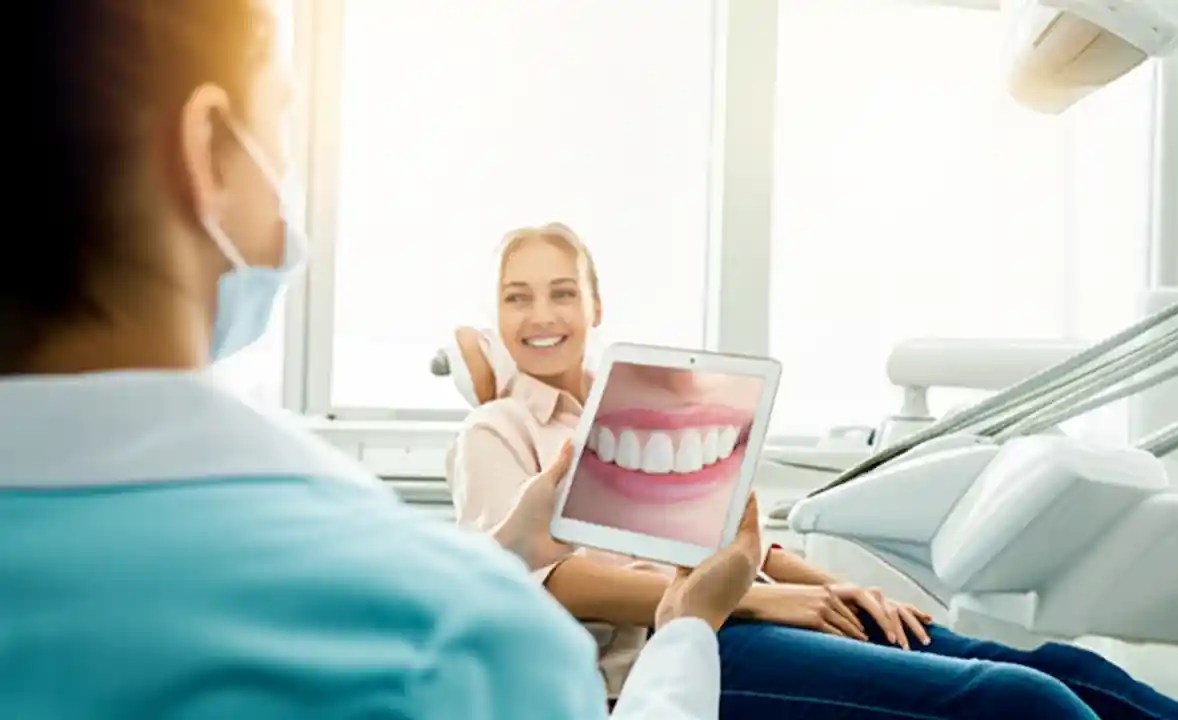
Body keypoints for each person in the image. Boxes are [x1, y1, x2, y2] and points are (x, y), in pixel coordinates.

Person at [1, 3, 764, 718]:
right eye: (282, 124)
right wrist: (685, 628)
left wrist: (510, 550)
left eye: (563, 293)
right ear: (208, 152)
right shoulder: (470, 643)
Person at [447, 222, 1178, 720]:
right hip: (661, 655)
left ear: (596, 306)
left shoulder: (636, 411)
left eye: (560, 293)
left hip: (737, 606)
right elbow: (551, 580)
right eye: (517, 299)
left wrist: (831, 588)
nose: (540, 315)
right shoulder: (496, 429)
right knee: (1021, 705)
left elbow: (731, 538)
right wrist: (760, 601)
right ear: (496, 316)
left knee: (1062, 666)